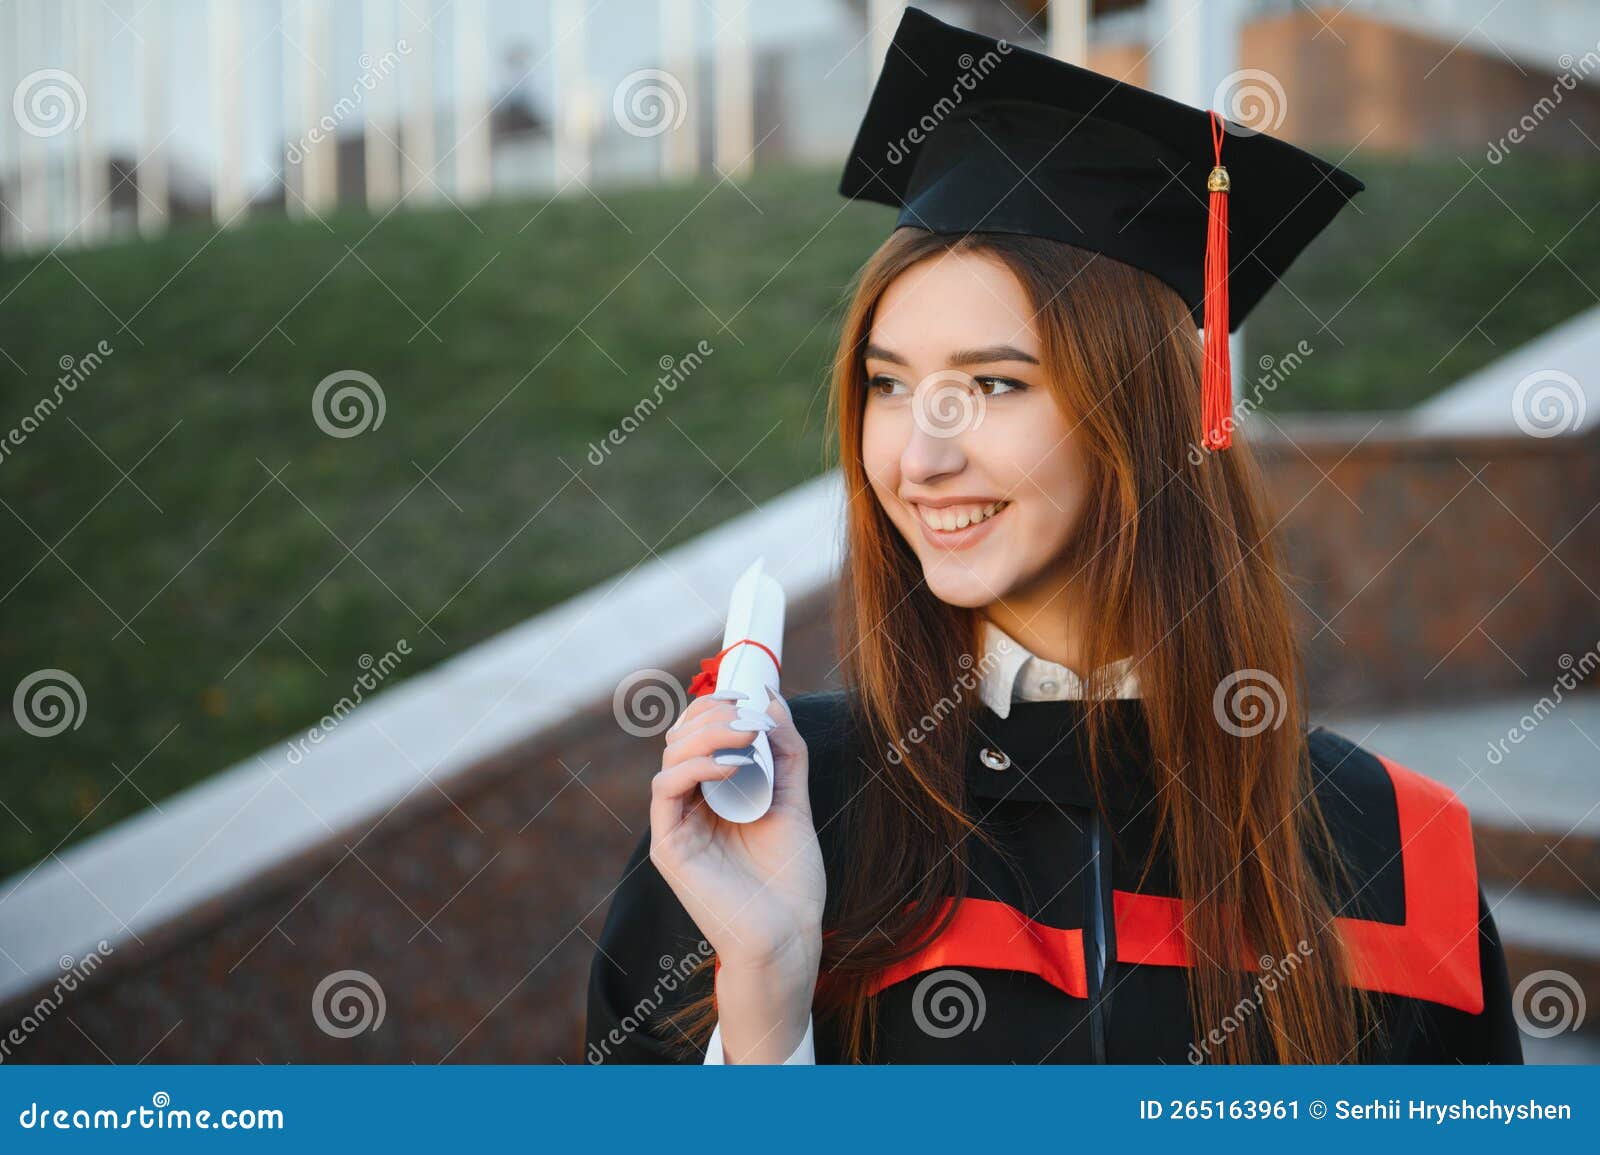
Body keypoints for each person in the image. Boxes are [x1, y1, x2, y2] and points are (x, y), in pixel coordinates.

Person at [584, 6, 1523, 1065]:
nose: (919, 457)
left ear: (1146, 417)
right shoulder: (769, 828)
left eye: (992, 384)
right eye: (888, 386)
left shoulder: (1389, 847)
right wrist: (765, 993)